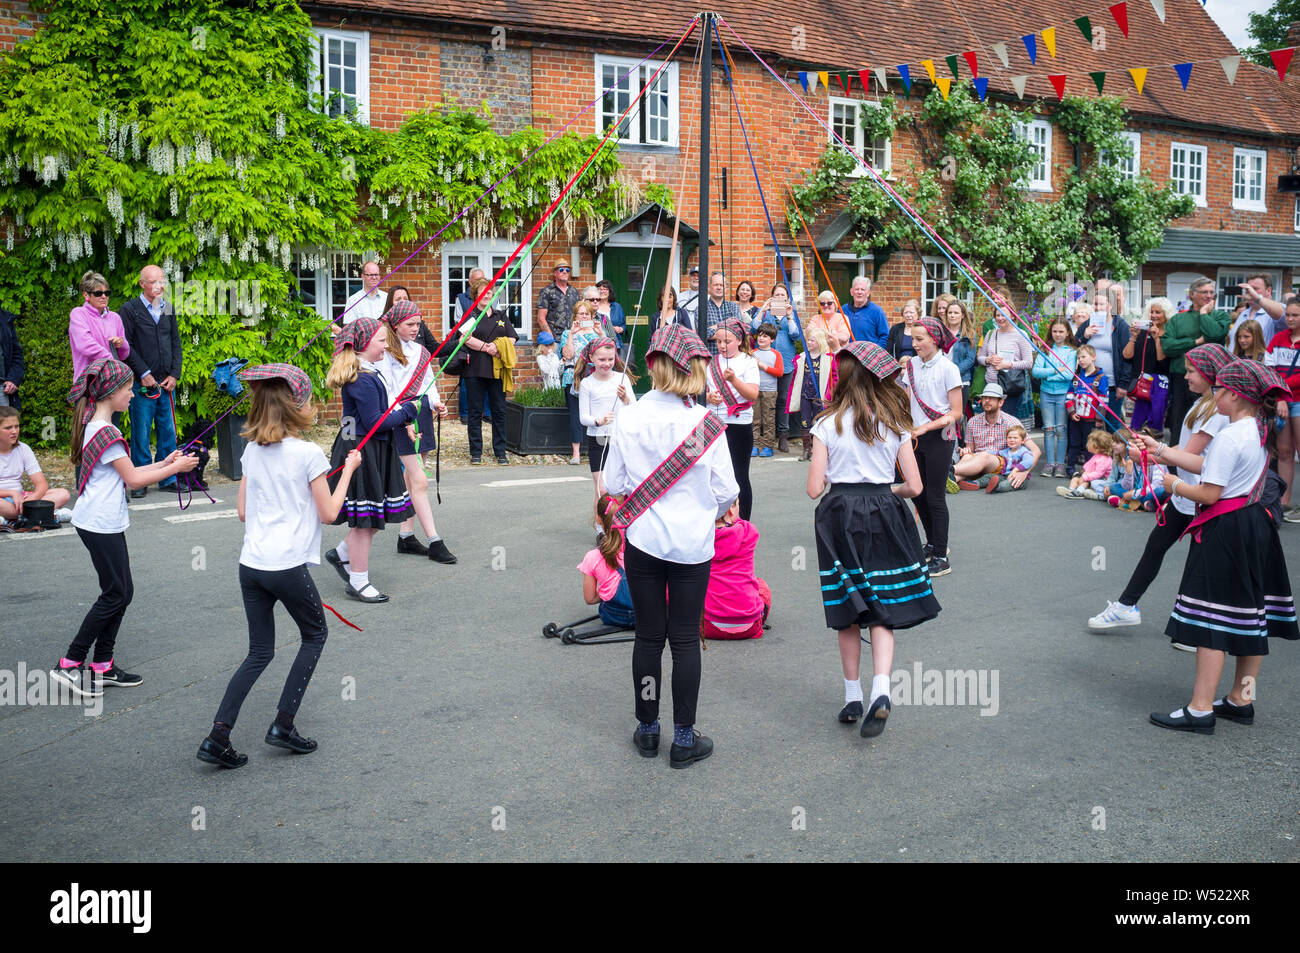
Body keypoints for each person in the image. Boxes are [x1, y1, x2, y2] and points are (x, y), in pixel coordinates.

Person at [196, 364, 364, 769]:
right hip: (286, 565)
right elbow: (328, 514)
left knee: (258, 652)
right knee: (314, 635)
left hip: (251, 563)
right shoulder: (308, 454)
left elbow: (242, 511)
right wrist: (349, 472)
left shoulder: (251, 450)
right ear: (298, 405)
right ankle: (283, 724)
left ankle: (218, 735)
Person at [602, 324, 739, 769]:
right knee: (683, 638)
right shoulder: (706, 423)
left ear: (654, 366)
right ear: (696, 368)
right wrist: (709, 509)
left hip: (644, 541)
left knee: (647, 636)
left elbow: (618, 484)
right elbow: (726, 491)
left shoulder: (630, 416)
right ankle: (683, 737)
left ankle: (647, 729)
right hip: (692, 545)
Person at [1149, 360, 1297, 733]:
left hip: (1226, 530)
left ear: (1233, 394)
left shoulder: (1230, 435)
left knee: (1211, 617)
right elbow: (1214, 468)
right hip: (1255, 526)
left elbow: (1210, 493)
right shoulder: (1256, 429)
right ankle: (1240, 699)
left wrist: (1173, 486)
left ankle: (1200, 709)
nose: (1214, 394)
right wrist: (1163, 452)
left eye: (1219, 389)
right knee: (1250, 613)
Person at [807, 340, 935, 736]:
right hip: (885, 512)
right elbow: (914, 486)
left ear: (843, 378)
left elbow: (814, 489)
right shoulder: (895, 424)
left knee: (848, 607)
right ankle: (881, 687)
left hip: (839, 515)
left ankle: (852, 696)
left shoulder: (827, 425)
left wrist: (838, 480)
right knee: (882, 603)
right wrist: (883, 492)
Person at [49, 359, 197, 699]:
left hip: (100, 521)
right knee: (116, 593)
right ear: (112, 392)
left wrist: (167, 462)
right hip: (100, 523)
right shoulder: (107, 432)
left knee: (120, 591)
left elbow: (126, 470)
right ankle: (70, 662)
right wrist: (179, 468)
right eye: (129, 389)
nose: (133, 395)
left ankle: (103, 666)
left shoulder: (95, 426)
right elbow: (133, 479)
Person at [1089, 344, 1234, 631]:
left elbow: (1196, 459)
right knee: (1157, 547)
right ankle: (1127, 607)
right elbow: (1184, 449)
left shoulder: (1216, 410)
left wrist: (1152, 455)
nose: (1186, 376)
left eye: (1192, 371)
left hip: (1199, 498)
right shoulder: (1202, 402)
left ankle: (1190, 629)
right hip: (1185, 495)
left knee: (1197, 567)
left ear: (1209, 373)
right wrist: (1152, 452)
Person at [323, 318, 417, 604]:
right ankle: (359, 580)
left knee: (373, 517)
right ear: (363, 346)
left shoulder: (369, 372)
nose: (386, 345)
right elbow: (375, 421)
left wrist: (402, 410)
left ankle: (340, 555)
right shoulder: (361, 378)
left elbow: (379, 412)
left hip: (372, 449)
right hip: (361, 452)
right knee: (365, 523)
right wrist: (408, 413)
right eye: (380, 340)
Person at [379, 300, 457, 564]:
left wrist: (435, 402)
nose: (416, 328)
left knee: (415, 479)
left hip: (420, 408)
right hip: (401, 413)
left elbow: (428, 382)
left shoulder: (421, 351)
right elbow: (388, 390)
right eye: (410, 324)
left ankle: (406, 535)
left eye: (418, 323)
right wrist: (402, 419)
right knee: (420, 479)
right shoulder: (385, 353)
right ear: (396, 324)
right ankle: (435, 540)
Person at [901, 316, 962, 575]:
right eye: (912, 339)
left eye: (919, 339)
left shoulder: (949, 368)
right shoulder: (911, 366)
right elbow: (906, 402)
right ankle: (932, 542)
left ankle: (941, 556)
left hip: (940, 436)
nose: (914, 344)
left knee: (935, 495)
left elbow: (956, 412)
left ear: (935, 340)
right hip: (914, 436)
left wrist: (926, 426)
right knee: (918, 493)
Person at [120, 264, 182, 498]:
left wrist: (174, 374)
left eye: (162, 281)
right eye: (154, 282)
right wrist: (143, 373)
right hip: (141, 383)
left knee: (168, 431)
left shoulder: (168, 307)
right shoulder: (130, 310)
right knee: (141, 433)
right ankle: (141, 480)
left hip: (166, 383)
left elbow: (175, 343)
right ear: (142, 284)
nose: (160, 286)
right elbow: (127, 347)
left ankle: (168, 478)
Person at [461, 275, 518, 466]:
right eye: (482, 293)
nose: (487, 295)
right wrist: (488, 347)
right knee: (475, 412)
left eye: (489, 292)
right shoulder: (471, 315)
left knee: (499, 411)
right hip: (475, 370)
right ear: (476, 295)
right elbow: (465, 338)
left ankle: (500, 451)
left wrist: (499, 347)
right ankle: (475, 452)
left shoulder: (500, 316)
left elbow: (512, 338)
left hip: (497, 371)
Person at [706, 319, 760, 520]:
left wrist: (734, 380)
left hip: (739, 423)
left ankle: (743, 520)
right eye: (719, 341)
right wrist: (709, 396)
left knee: (739, 474)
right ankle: (718, 517)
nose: (721, 345)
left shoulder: (748, 362)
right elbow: (701, 389)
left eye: (726, 341)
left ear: (739, 340)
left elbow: (752, 394)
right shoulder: (711, 362)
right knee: (713, 473)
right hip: (713, 423)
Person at [1163, 277, 1231, 436]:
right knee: (1179, 422)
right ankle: (1175, 459)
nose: (1209, 296)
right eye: (1204, 292)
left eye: (1211, 293)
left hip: (1212, 380)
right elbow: (1168, 347)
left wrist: (1203, 314)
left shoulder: (1221, 317)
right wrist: (1196, 341)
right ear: (1192, 294)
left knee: (1208, 422)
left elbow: (1214, 334)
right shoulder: (1178, 319)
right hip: (1181, 377)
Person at [952, 382, 1042, 493]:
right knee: (967, 457)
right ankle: (949, 480)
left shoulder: (1011, 422)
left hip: (999, 464)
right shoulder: (973, 422)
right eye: (984, 398)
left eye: (991, 398)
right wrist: (966, 451)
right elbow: (971, 449)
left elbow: (1036, 451)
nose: (987, 401)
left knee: (984, 455)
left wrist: (1024, 472)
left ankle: (949, 471)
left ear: (1001, 402)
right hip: (976, 464)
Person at [791, 291, 850, 460]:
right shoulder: (815, 319)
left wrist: (821, 334)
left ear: (836, 304)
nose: (825, 306)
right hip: (815, 365)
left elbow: (844, 337)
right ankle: (807, 448)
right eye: (822, 303)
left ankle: (826, 446)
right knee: (806, 416)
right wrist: (828, 334)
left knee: (829, 408)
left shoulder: (842, 318)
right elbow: (809, 332)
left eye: (829, 303)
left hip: (835, 364)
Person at [702, 498, 771, 640]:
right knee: (761, 586)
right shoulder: (749, 531)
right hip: (750, 626)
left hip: (708, 626)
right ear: (731, 510)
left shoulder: (699, 537)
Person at [576, 336, 636, 499]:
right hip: (598, 438)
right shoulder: (587, 383)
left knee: (620, 487)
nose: (607, 363)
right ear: (591, 358)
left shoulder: (621, 379)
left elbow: (634, 409)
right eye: (601, 359)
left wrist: (625, 399)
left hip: (619, 436)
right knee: (601, 489)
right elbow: (583, 417)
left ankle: (617, 522)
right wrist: (598, 421)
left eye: (610, 359)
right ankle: (600, 524)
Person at [752, 283, 803, 453]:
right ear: (772, 297)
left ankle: (782, 435)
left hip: (785, 363)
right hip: (764, 364)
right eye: (777, 295)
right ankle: (762, 438)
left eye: (783, 295)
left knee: (782, 400)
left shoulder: (791, 315)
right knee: (763, 400)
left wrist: (789, 317)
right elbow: (753, 328)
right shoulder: (767, 315)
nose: (780, 297)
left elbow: (795, 335)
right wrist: (763, 309)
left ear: (787, 298)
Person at [0, 405, 71, 523]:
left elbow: (41, 484)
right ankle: (48, 514)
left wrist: (31, 500)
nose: (14, 431)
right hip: (3, 499)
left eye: (17, 426)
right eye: (8, 428)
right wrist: (12, 493)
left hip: (21, 499)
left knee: (63, 494)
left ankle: (11, 518)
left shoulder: (23, 449)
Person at [1072, 291, 1131, 426]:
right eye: (1095, 304)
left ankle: (1115, 447)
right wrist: (1084, 336)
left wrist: (1123, 385)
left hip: (1111, 384)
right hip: (1088, 383)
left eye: (1102, 304)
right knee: (1090, 423)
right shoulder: (1088, 323)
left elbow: (1128, 357)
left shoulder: (1120, 326)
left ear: (1110, 305)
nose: (1098, 307)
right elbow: (1075, 348)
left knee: (1112, 424)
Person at [1264, 298, 1300, 520]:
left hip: (1294, 400)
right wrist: (1280, 397)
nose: (1290, 319)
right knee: (1284, 452)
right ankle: (1285, 503)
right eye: (1288, 315)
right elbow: (1269, 369)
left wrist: (1282, 393)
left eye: (1295, 315)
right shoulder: (1277, 339)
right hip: (1282, 401)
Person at [579, 495, 636, 628]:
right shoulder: (641, 551)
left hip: (612, 615)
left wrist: (607, 591)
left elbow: (590, 598)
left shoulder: (592, 556)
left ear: (599, 519)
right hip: (647, 614)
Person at [560, 299, 604, 465]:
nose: (584, 316)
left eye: (587, 313)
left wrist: (600, 333)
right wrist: (572, 334)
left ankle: (598, 448)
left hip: (595, 377)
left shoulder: (597, 333)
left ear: (592, 316)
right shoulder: (567, 333)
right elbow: (568, 354)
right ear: (575, 316)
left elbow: (608, 351)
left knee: (597, 412)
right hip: (574, 377)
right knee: (575, 416)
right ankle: (576, 453)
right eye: (581, 313)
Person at [1031, 316, 1077, 476]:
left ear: (1067, 333)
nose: (1057, 334)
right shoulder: (1045, 349)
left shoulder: (1071, 352)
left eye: (1061, 331)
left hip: (1063, 394)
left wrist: (1049, 374)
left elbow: (1069, 375)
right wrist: (1056, 371)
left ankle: (1060, 464)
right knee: (1049, 429)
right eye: (1055, 331)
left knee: (1061, 429)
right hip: (1046, 394)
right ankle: (1050, 463)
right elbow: (1036, 371)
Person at [69, 271, 129, 382]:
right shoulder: (78, 314)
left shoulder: (115, 317)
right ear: (86, 295)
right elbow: (85, 345)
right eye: (98, 293)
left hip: (112, 381)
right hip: (88, 381)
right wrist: (111, 361)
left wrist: (121, 344)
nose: (104, 296)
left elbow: (124, 354)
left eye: (107, 293)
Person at [1125, 297, 1172, 434]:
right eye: (1152, 312)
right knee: (1132, 430)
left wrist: (1157, 339)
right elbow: (1126, 356)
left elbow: (1162, 361)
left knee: (1152, 432)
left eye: (1158, 312)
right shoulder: (1142, 332)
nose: (1154, 315)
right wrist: (1133, 337)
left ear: (1166, 314)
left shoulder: (1169, 333)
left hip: (1157, 390)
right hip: (1136, 387)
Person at [981, 308, 1035, 421]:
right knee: (991, 423)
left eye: (1004, 315)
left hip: (1010, 387)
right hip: (991, 387)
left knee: (1007, 424)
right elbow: (980, 358)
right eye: (997, 315)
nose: (1000, 318)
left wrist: (1008, 365)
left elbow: (1029, 362)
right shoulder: (991, 334)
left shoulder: (1021, 334)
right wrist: (988, 360)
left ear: (1013, 316)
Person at [1065, 344, 1107, 476]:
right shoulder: (1077, 377)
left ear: (1093, 357)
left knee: (1090, 445)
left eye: (1084, 357)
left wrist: (1099, 419)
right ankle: (1070, 468)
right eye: (1078, 358)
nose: (1081, 360)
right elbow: (1069, 396)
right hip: (1077, 418)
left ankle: (1089, 469)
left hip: (1091, 420)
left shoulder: (1101, 378)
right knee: (1074, 443)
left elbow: (1104, 401)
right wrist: (1071, 412)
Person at [751, 323, 784, 458]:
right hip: (754, 390)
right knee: (754, 419)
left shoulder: (776, 354)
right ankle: (754, 445)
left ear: (772, 340)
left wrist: (762, 366)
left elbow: (780, 372)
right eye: (759, 335)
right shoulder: (752, 353)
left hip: (769, 392)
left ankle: (768, 446)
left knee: (768, 419)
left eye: (765, 336)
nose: (761, 338)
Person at [1058, 428, 1115, 500]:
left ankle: (1079, 492)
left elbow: (1098, 474)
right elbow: (1090, 466)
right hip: (1092, 478)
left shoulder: (1104, 459)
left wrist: (1085, 477)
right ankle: (1071, 490)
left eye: (1089, 443)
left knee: (1086, 481)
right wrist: (1083, 473)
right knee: (1075, 479)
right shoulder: (1097, 456)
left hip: (1103, 481)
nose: (1087, 444)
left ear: (1097, 446)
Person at [944, 299, 978, 417]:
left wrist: (953, 372)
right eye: (950, 312)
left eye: (956, 313)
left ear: (962, 315)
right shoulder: (942, 332)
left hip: (961, 379)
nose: (952, 315)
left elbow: (970, 359)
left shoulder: (969, 334)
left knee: (958, 416)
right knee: (943, 414)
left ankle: (958, 436)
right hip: (941, 378)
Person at [1231, 273, 1283, 345]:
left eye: (1255, 289)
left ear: (1268, 290)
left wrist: (1257, 298)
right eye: (1248, 289)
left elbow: (1283, 314)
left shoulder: (1274, 312)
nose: (1250, 292)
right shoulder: (1243, 314)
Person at [535, 259, 580, 339]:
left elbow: (579, 315)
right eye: (561, 269)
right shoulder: (547, 292)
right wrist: (551, 338)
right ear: (555, 273)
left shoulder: (574, 292)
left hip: (573, 337)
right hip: (556, 339)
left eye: (567, 270)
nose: (565, 272)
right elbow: (541, 319)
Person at [841, 276, 888, 348]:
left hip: (869, 355)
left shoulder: (877, 311)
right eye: (857, 289)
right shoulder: (842, 310)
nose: (859, 292)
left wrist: (875, 352)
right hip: (847, 354)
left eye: (863, 289)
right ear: (851, 292)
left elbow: (885, 336)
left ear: (868, 293)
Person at [703, 271, 741, 355]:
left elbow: (737, 331)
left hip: (732, 360)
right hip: (710, 359)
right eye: (716, 285)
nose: (719, 287)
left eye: (721, 285)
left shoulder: (734, 307)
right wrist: (728, 325)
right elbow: (703, 334)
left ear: (726, 289)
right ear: (709, 287)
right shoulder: (701, 309)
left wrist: (714, 329)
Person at [340, 260, 385, 326]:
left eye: (376, 274)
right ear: (363, 277)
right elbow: (349, 328)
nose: (374, 277)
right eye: (371, 275)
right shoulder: (353, 300)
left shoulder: (387, 298)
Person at [0, 304, 23, 409]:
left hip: (2, 390)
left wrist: (13, 379)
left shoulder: (5, 319)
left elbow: (17, 354)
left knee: (6, 425)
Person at [594, 279, 625, 350]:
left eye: (605, 289)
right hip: (597, 342)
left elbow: (623, 324)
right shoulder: (593, 306)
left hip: (615, 343)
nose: (602, 291)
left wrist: (621, 329)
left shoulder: (617, 307)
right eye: (599, 289)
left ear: (609, 292)